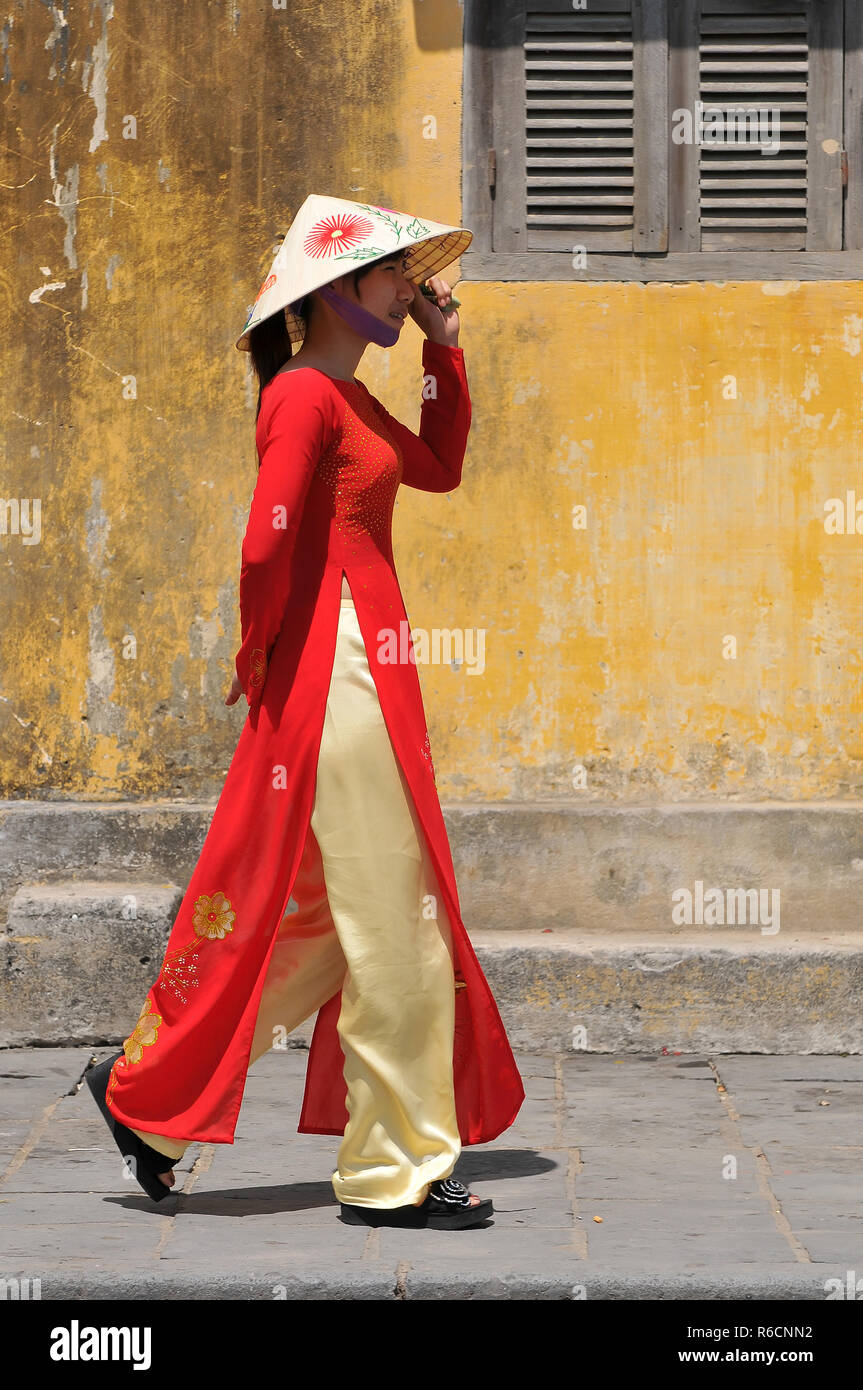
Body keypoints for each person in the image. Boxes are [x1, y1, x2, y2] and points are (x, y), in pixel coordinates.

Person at [87, 195, 525, 1231]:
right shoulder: (299, 397)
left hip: (369, 661)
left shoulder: (352, 402)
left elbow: (442, 467)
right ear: (336, 290)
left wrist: (443, 351)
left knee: (321, 931)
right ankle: (394, 1173)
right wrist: (259, 652)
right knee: (402, 926)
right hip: (339, 670)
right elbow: (260, 541)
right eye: (392, 275)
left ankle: (143, 1095)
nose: (410, 289)